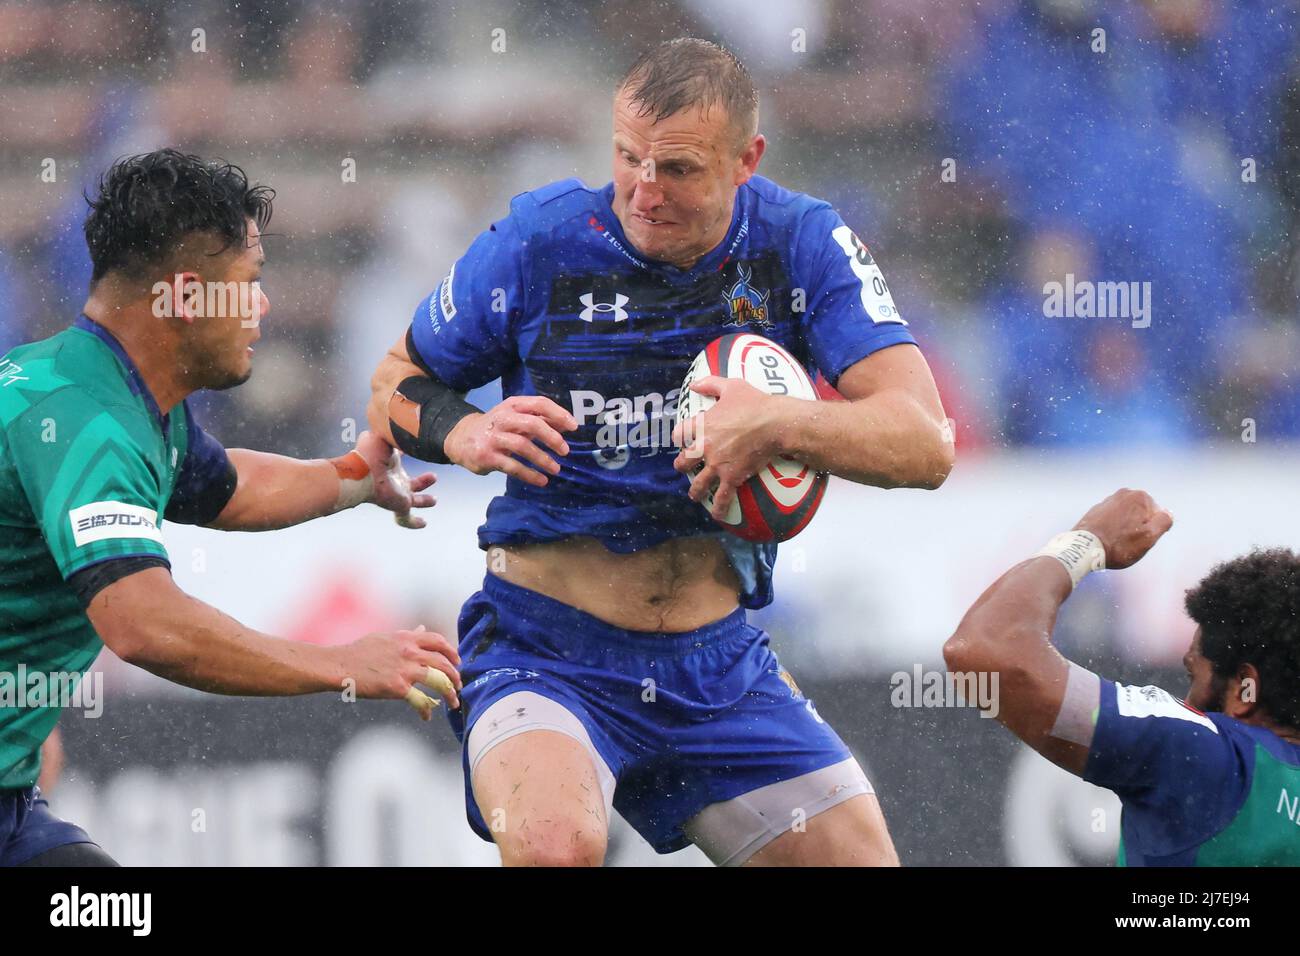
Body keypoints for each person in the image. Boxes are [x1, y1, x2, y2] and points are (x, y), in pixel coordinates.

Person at [368, 38, 953, 866]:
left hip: (718, 668)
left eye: (677, 169)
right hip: (546, 651)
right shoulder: (541, 242)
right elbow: (393, 382)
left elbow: (925, 442)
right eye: (627, 158)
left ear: (746, 158)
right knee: (553, 847)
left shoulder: (800, 243)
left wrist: (781, 423)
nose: (644, 191)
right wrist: (463, 431)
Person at [0, 149, 461, 867]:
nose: (264, 304)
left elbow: (228, 488)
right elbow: (146, 625)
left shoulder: (116, 397)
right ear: (187, 296)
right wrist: (341, 665)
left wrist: (354, 476)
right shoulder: (84, 423)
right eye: (250, 283)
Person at [944, 488, 1300, 865]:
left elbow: (983, 649)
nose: (1188, 700)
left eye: (1193, 674)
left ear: (1246, 688)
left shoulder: (1208, 753)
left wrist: (1086, 542)